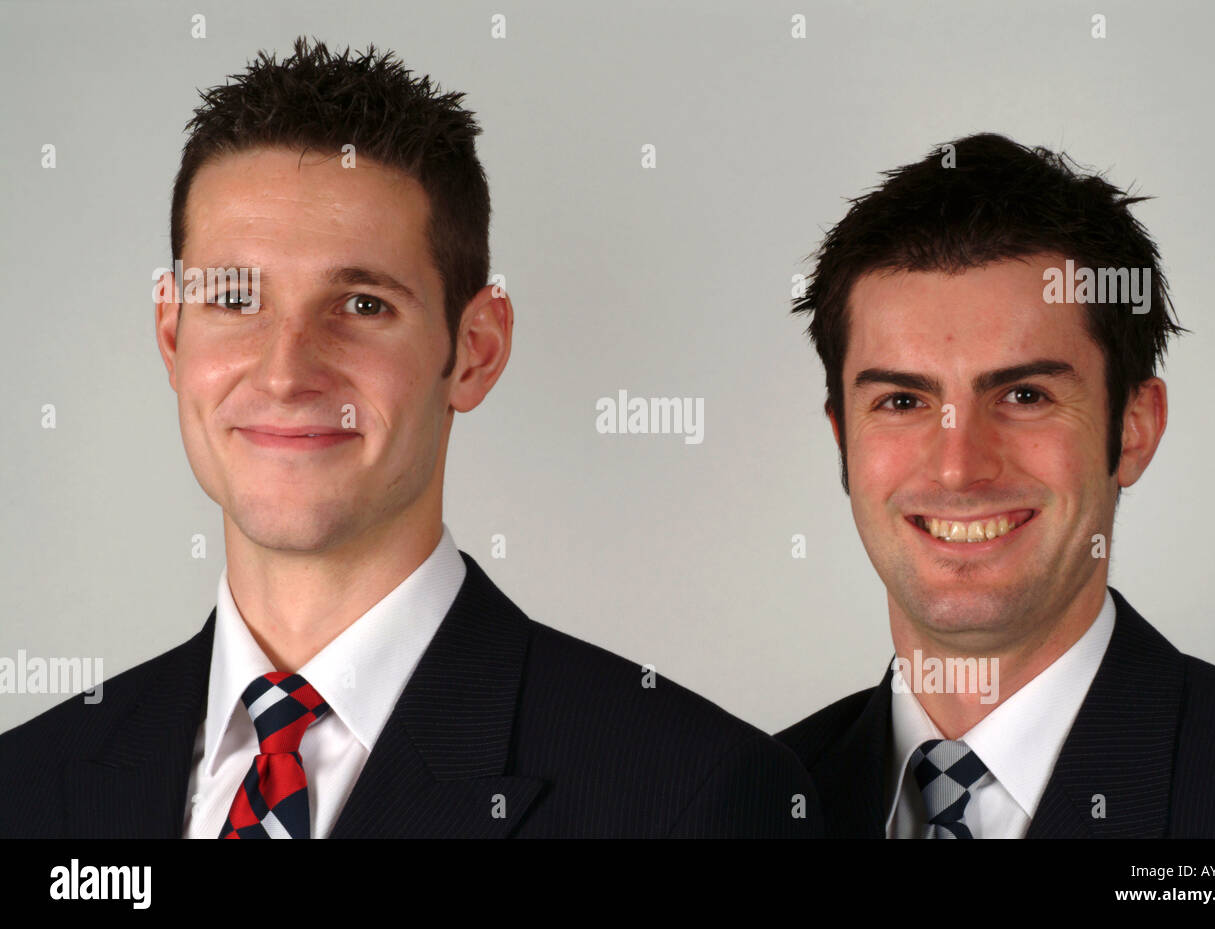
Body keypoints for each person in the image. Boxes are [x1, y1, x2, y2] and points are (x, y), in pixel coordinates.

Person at [0, 37, 818, 839]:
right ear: (173, 337)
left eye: (362, 304)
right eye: (234, 300)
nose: (286, 372)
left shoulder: (689, 796)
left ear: (475, 351)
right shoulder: (26, 786)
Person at [777, 133, 1215, 838]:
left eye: (1024, 395)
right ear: (843, 435)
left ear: (1134, 428)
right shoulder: (746, 800)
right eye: (902, 401)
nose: (959, 467)